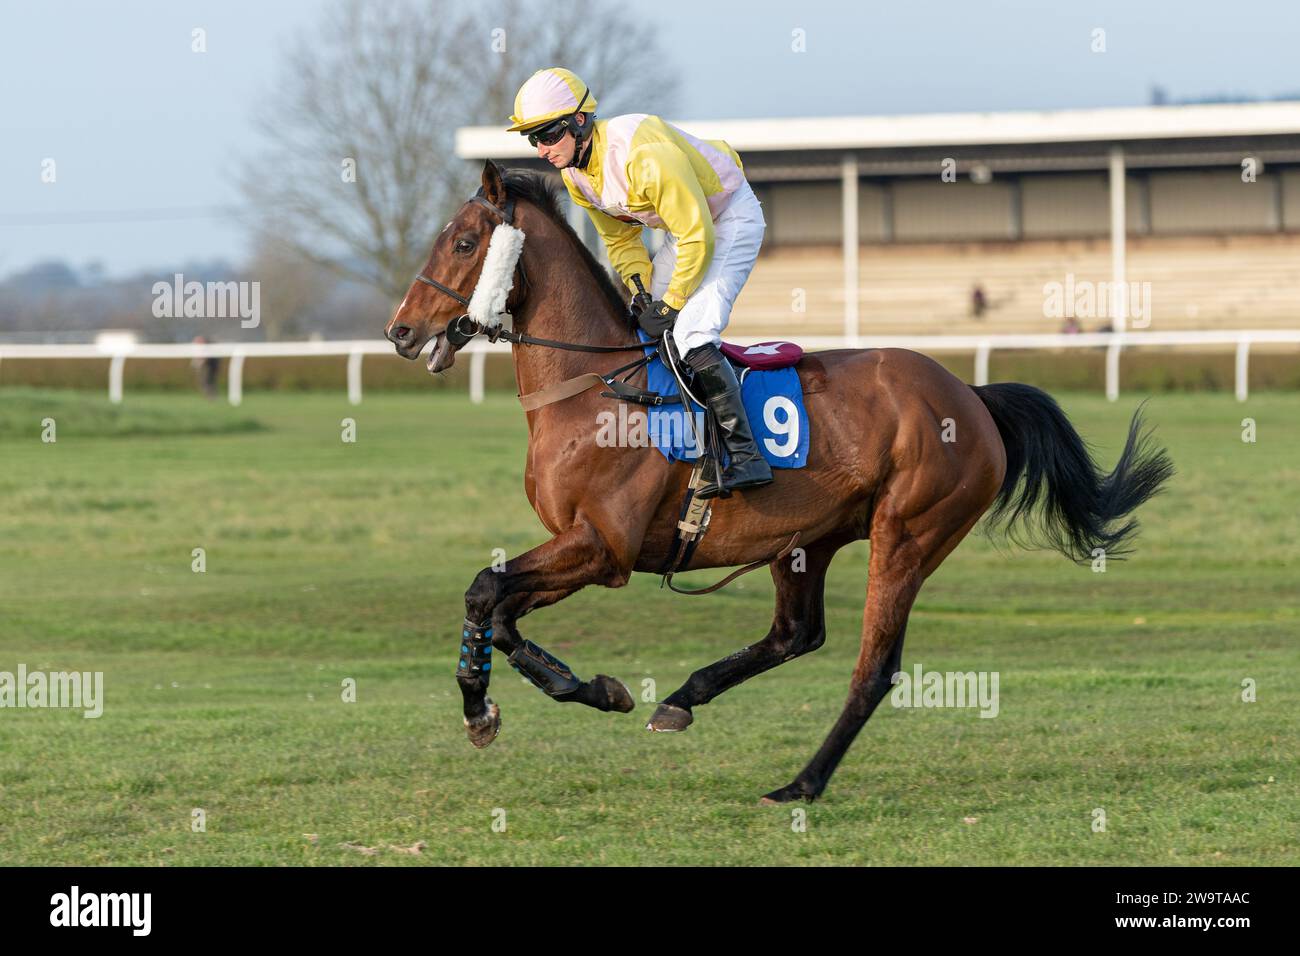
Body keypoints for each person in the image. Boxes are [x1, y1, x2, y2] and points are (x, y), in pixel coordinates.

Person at [507, 67, 772, 498]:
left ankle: (746, 456)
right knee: (643, 326)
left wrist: (670, 305)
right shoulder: (577, 176)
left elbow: (697, 234)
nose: (541, 150)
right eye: (532, 139)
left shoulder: (642, 155)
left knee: (691, 333)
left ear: (579, 122)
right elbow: (621, 238)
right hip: (686, 231)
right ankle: (684, 434)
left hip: (728, 221)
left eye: (548, 135)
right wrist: (641, 292)